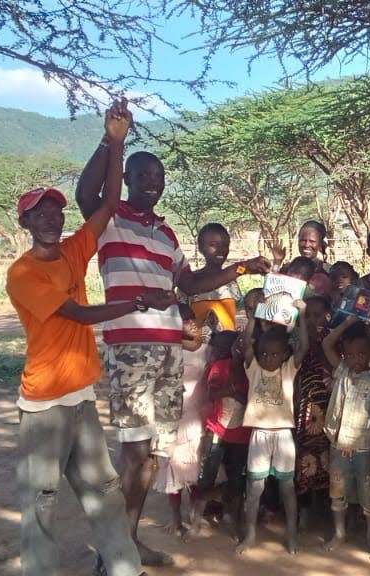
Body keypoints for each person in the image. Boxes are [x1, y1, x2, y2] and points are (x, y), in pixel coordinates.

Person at [75, 100, 269, 567]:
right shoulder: (110, 220)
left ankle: (129, 540)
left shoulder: (165, 234)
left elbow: (190, 283)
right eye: (144, 177)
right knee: (134, 450)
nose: (153, 184)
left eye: (159, 179)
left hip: (167, 354)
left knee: (149, 456)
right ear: (128, 180)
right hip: (133, 350)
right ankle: (114, 553)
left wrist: (242, 266)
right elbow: (86, 193)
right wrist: (113, 141)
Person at [6, 102, 167, 576]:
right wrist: (138, 303)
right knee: (42, 502)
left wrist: (114, 141)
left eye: (55, 212)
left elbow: (109, 203)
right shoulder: (24, 273)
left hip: (80, 399)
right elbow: (78, 313)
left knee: (105, 492)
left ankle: (122, 567)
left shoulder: (75, 250)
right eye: (40, 215)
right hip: (44, 406)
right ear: (26, 225)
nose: (52, 219)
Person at [235, 304, 309, 555]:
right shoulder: (253, 368)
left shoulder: (288, 370)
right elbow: (247, 344)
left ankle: (291, 535)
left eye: (274, 354)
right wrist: (254, 317)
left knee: (287, 488)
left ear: (284, 354)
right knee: (254, 488)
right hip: (260, 435)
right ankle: (250, 534)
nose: (268, 358)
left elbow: (304, 347)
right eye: (264, 354)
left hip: (283, 436)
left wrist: (301, 315)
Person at [321, 319, 370, 553]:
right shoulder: (342, 371)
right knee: (337, 492)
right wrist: (348, 322)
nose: (355, 359)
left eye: (361, 353)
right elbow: (327, 344)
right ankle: (339, 533)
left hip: (365, 447)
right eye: (350, 354)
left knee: (367, 494)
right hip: (339, 445)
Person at [153, 305, 207, 538]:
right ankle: (175, 518)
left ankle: (195, 517)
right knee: (171, 470)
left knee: (195, 470)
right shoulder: (163, 350)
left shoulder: (208, 349)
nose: (190, 323)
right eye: (183, 319)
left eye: (192, 318)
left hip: (196, 418)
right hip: (170, 418)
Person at [197, 330, 249, 537]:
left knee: (237, 480)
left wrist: (232, 391)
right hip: (217, 430)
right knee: (207, 477)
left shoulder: (250, 370)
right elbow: (212, 394)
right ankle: (196, 521)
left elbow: (252, 401)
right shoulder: (220, 367)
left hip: (241, 434)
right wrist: (236, 393)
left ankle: (231, 519)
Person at [293, 294, 333, 528]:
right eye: (308, 315)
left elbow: (332, 367)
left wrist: (319, 341)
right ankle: (305, 507)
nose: (312, 319)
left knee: (327, 457)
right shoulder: (297, 339)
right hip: (305, 408)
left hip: (329, 406)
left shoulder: (330, 338)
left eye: (317, 315)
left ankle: (324, 505)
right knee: (305, 457)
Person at [186, 223, 243, 336]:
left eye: (225, 245)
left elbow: (237, 314)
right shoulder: (190, 282)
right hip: (198, 349)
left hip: (227, 348)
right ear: (201, 247)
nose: (221, 250)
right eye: (213, 245)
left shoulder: (231, 282)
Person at [297, 221, 334, 295]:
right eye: (303, 240)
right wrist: (277, 262)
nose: (307, 245)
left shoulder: (330, 272)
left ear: (320, 245)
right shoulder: (288, 268)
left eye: (312, 241)